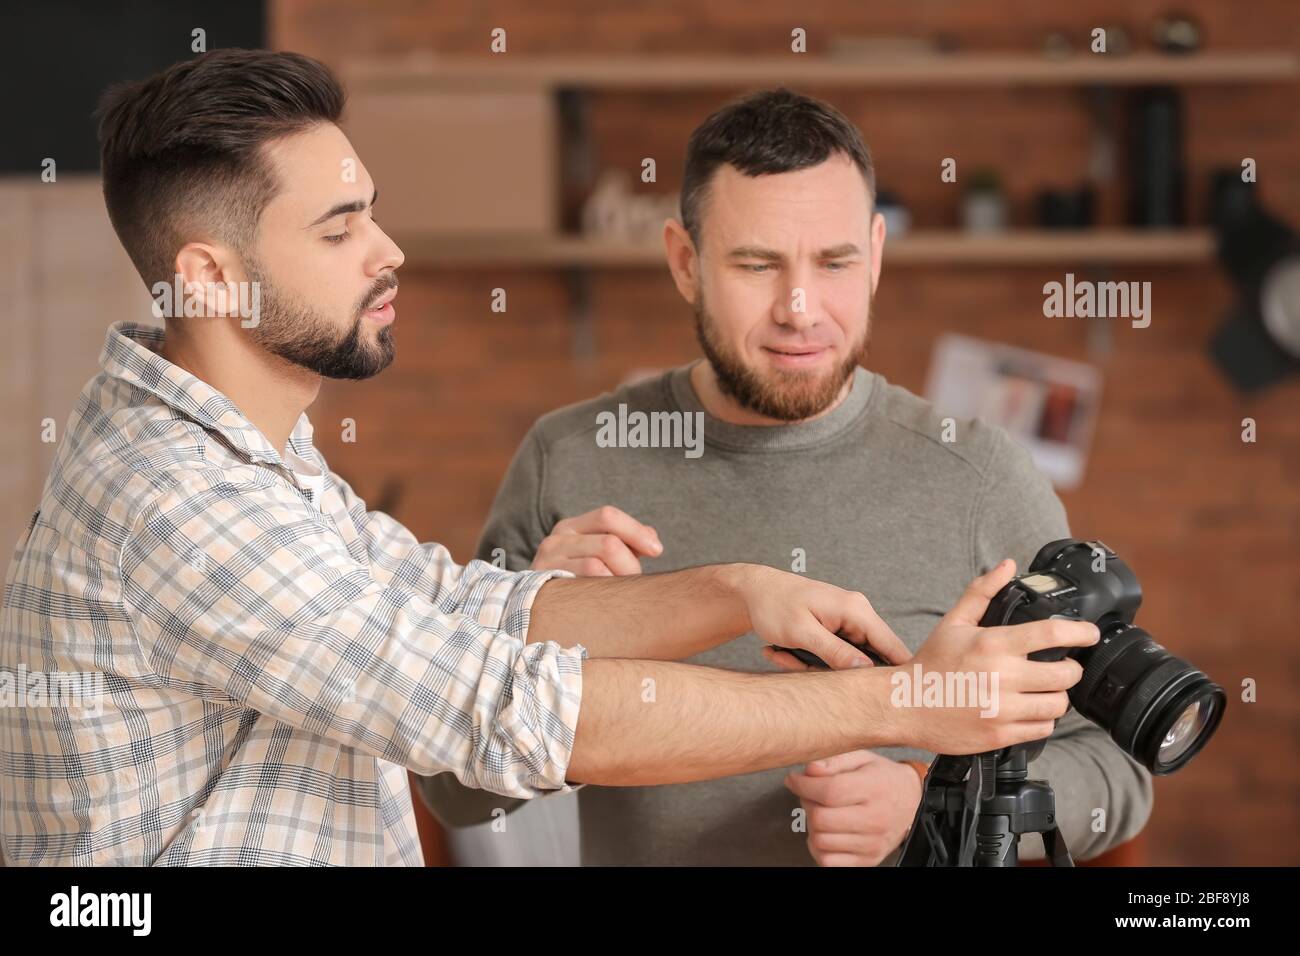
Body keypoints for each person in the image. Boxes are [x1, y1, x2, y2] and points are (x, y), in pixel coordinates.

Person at [0, 55, 1094, 867]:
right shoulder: (183, 503)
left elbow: (460, 608)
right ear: (210, 278)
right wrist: (904, 703)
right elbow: (511, 709)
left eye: (371, 212)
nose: (388, 251)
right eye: (337, 231)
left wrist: (738, 590)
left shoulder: (258, 459)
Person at [418, 89, 1152, 867]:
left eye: (833, 263)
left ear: (875, 254)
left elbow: (1122, 769)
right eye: (757, 264)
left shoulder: (982, 476)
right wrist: (538, 625)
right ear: (685, 262)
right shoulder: (567, 459)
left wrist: (928, 802)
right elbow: (455, 793)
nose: (799, 309)